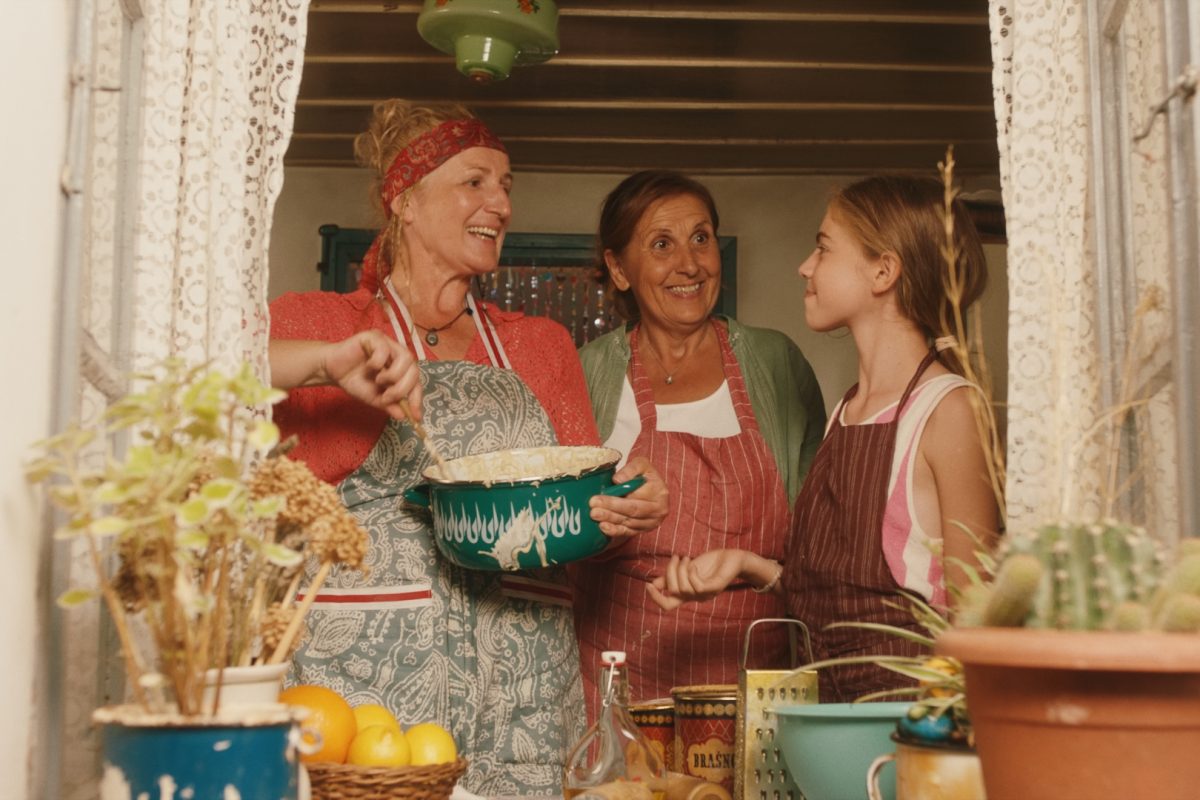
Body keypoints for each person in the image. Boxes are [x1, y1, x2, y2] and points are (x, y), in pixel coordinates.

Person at [268, 100, 667, 796]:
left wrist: (624, 506)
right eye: (475, 181)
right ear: (406, 200)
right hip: (362, 702)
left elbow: (577, 520)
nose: (501, 203)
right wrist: (330, 362)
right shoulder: (322, 324)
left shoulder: (539, 347)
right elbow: (200, 375)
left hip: (524, 707)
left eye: (507, 184)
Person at [649, 175, 1000, 703]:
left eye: (823, 248)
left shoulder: (948, 409)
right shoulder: (848, 409)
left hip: (905, 734)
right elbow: (837, 598)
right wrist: (747, 565)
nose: (806, 266)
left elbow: (978, 621)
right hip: (826, 724)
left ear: (883, 271)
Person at [574, 170, 826, 716]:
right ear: (619, 269)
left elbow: (816, 540)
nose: (689, 264)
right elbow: (556, 531)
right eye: (661, 245)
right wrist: (608, 523)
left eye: (701, 237)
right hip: (618, 676)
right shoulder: (588, 373)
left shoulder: (776, 364)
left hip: (757, 684)